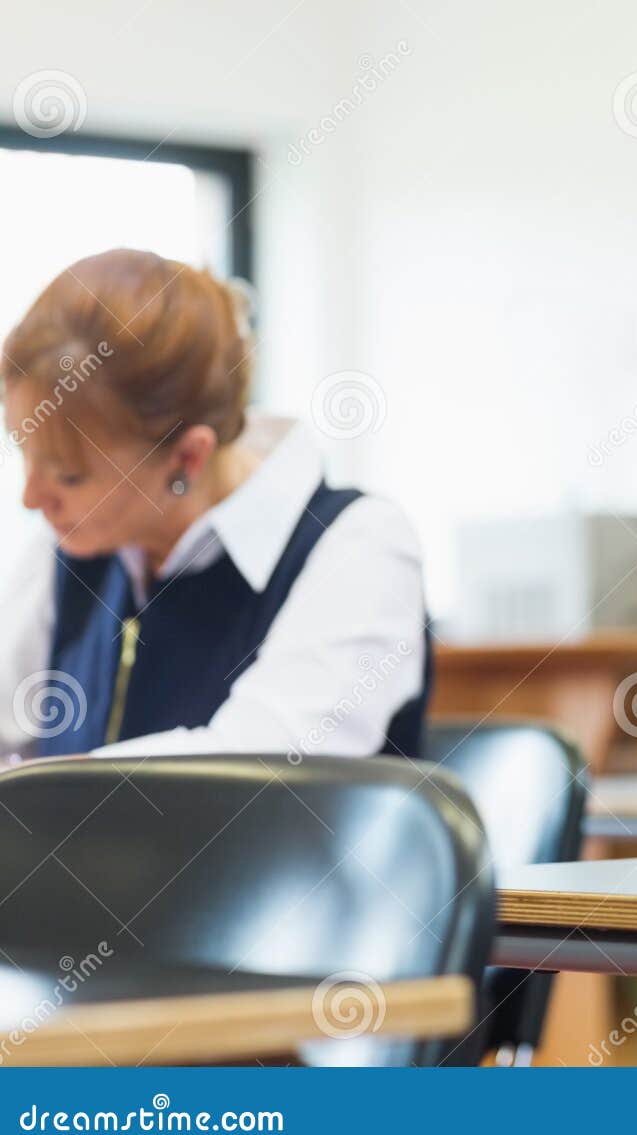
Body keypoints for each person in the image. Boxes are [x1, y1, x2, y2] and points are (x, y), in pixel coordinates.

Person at [0, 249, 430, 763]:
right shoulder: (68, 548)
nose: (31, 499)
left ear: (188, 456)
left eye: (70, 474)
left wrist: (37, 792)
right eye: (23, 451)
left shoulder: (359, 548)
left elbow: (251, 776)